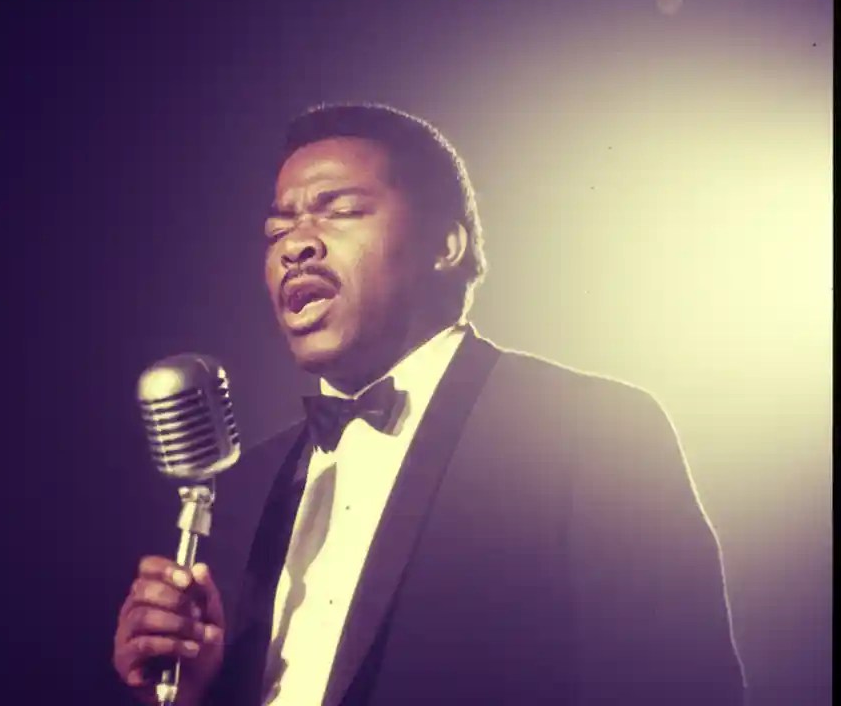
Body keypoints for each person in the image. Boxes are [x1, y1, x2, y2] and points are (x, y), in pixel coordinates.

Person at [111, 103, 745, 705]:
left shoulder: (592, 431)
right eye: (278, 229)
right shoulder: (245, 487)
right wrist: (187, 694)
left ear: (446, 246)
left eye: (341, 210)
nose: (294, 246)